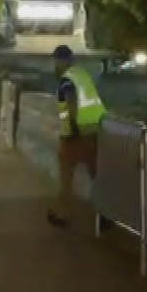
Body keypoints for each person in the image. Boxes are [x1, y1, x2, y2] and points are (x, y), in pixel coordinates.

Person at [47, 44, 105, 227]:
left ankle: (61, 213)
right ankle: (105, 214)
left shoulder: (67, 81)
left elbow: (71, 104)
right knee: (95, 174)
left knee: (66, 177)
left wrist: (73, 131)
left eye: (56, 62)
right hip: (94, 130)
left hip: (76, 134)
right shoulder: (82, 76)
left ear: (60, 61)